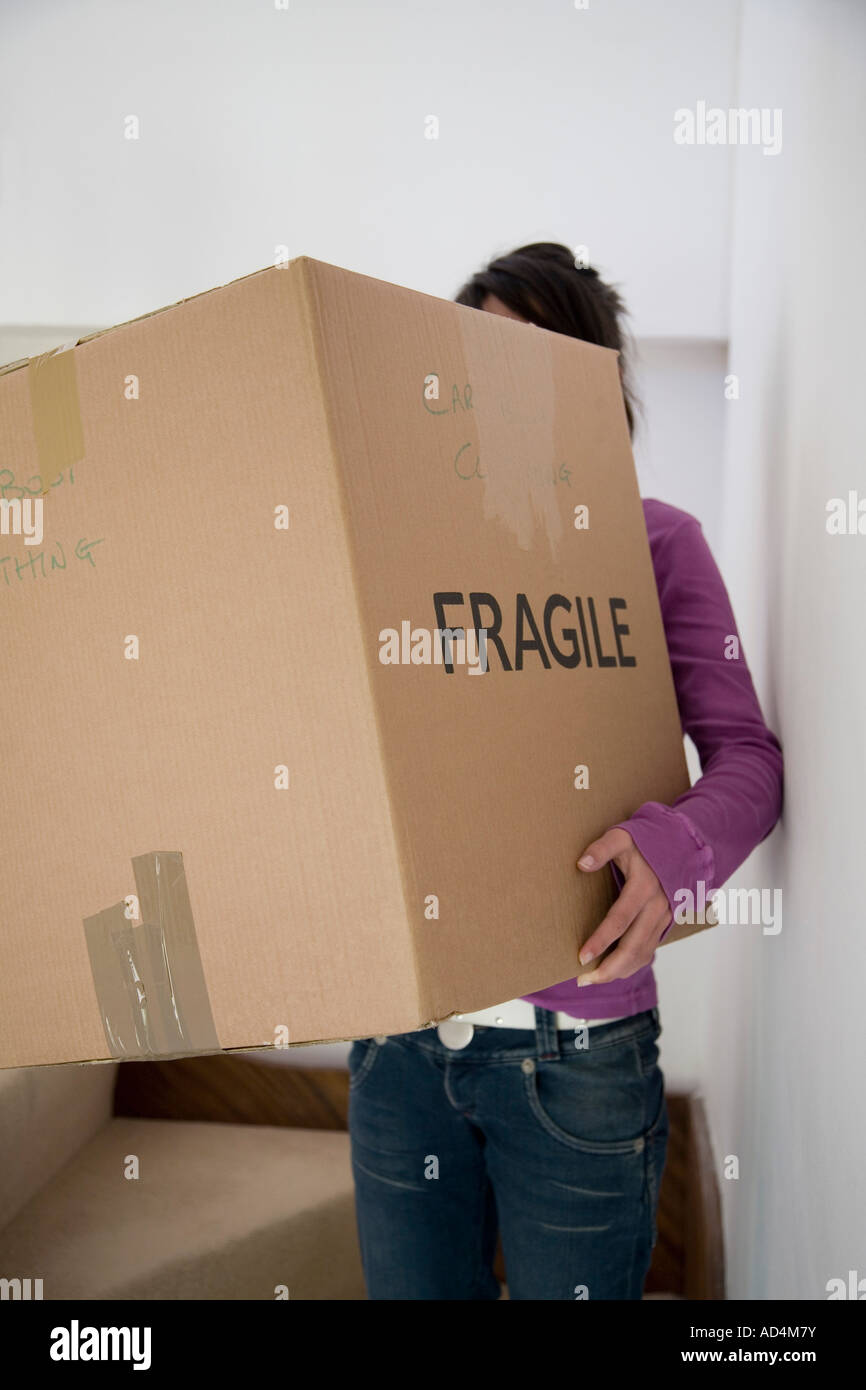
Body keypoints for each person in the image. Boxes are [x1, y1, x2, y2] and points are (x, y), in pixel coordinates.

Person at [347, 241, 784, 1300]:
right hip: (397, 1047)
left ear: (590, 385)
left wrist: (669, 848)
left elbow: (747, 762)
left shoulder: (656, 545)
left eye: (530, 354)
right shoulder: (392, 554)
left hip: (573, 1053)